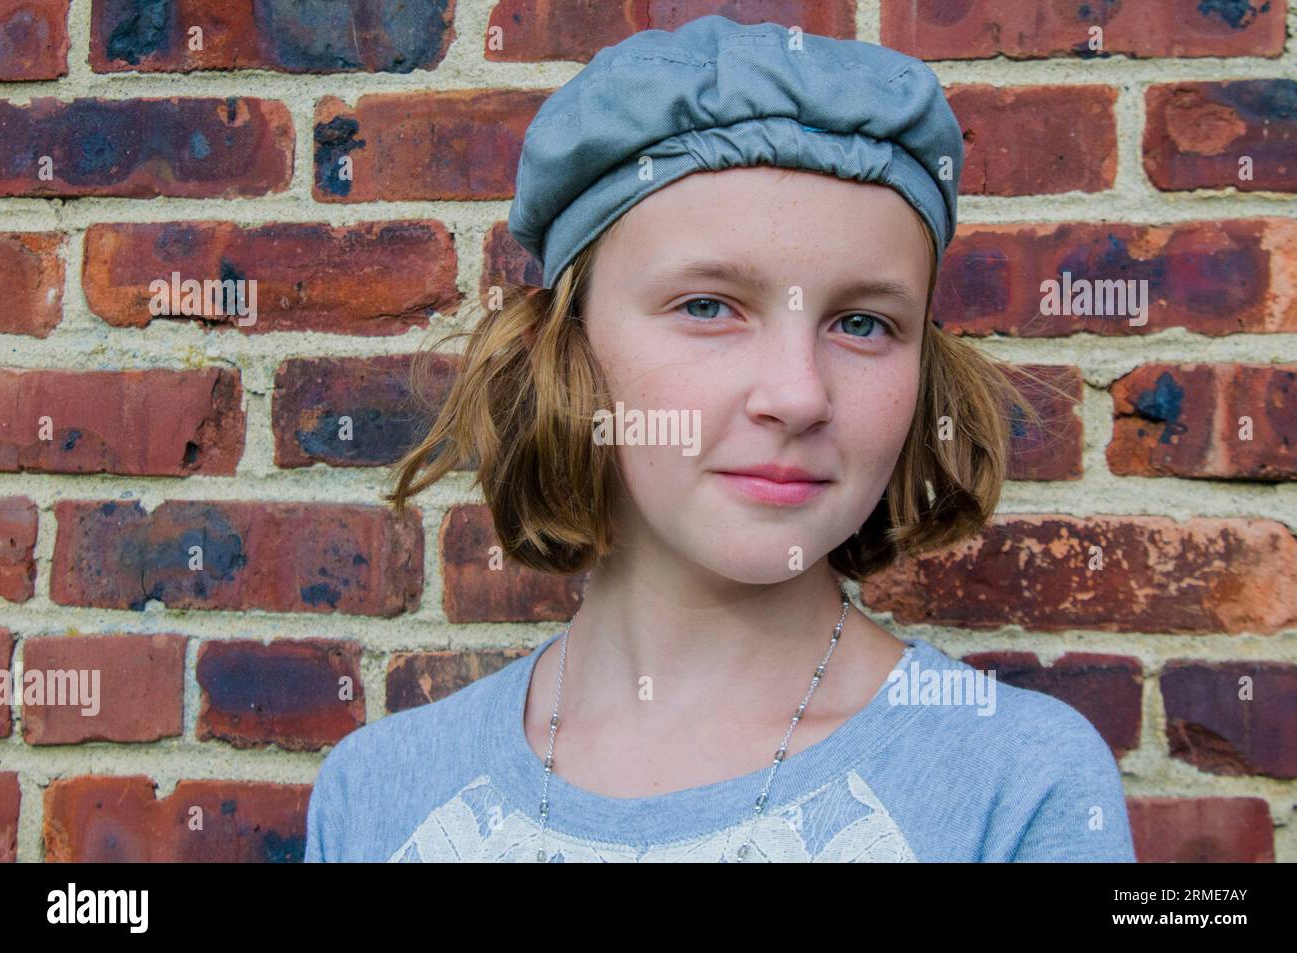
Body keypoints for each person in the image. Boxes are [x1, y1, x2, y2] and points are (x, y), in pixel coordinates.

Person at [305, 15, 1136, 863]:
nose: (798, 395)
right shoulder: (378, 795)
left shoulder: (1018, 787)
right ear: (562, 345)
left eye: (862, 323)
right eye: (708, 306)